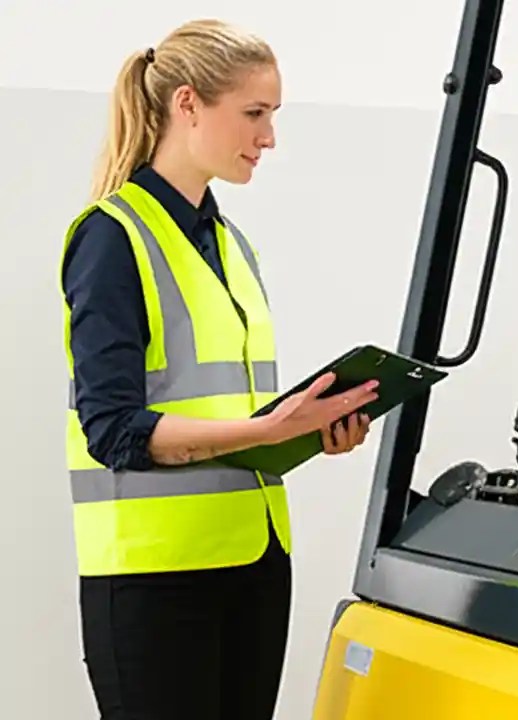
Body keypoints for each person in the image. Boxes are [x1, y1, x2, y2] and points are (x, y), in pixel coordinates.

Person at [61, 19, 379, 720]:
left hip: (254, 566)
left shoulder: (232, 245)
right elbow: (112, 430)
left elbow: (231, 409)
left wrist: (308, 429)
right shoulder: (112, 239)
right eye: (254, 114)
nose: (268, 138)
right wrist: (265, 430)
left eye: (272, 117)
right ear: (187, 105)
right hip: (155, 582)